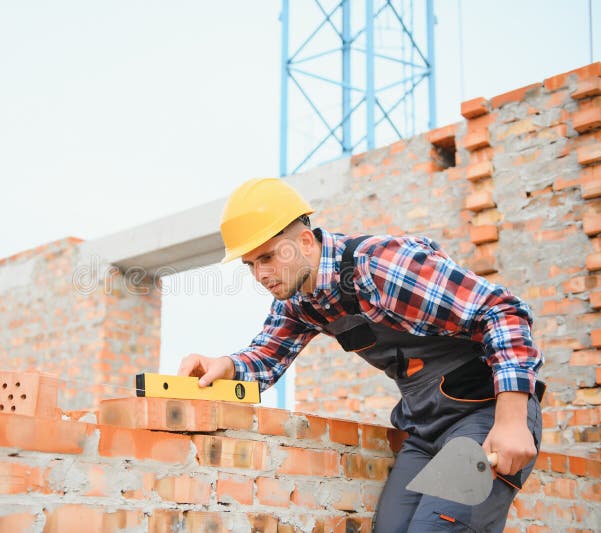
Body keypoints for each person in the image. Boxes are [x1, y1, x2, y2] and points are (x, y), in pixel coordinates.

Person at [178, 178, 544, 532]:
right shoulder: (299, 301)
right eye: (250, 264)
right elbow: (266, 358)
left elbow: (502, 312)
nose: (261, 274)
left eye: (268, 257)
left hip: (484, 418)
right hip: (424, 429)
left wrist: (511, 420)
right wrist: (225, 365)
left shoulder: (380, 265)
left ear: (305, 242)